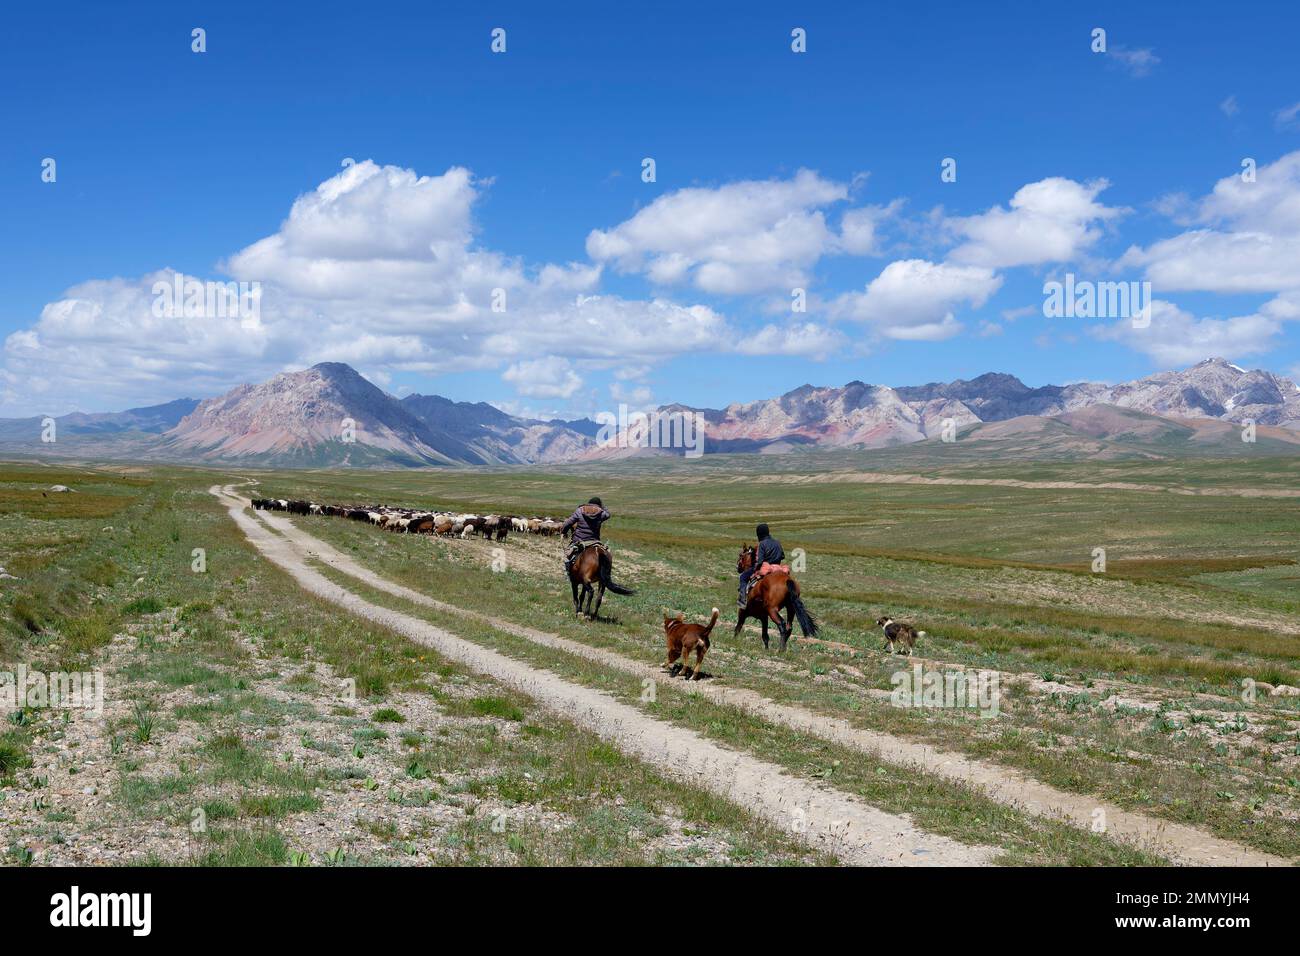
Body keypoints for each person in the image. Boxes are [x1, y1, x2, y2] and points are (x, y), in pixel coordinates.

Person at [739, 523, 784, 608]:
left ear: (759, 534)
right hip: (778, 568)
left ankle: (742, 600)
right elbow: (782, 556)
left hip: (766, 568)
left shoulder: (762, 544)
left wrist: (756, 567)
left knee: (743, 577)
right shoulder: (777, 542)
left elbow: (760, 561)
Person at [562, 497, 611, 571]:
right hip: (594, 541)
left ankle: (568, 573)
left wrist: (564, 531)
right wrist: (602, 506)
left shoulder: (580, 510)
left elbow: (568, 523)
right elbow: (608, 514)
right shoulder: (601, 513)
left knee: (567, 556)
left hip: (578, 540)